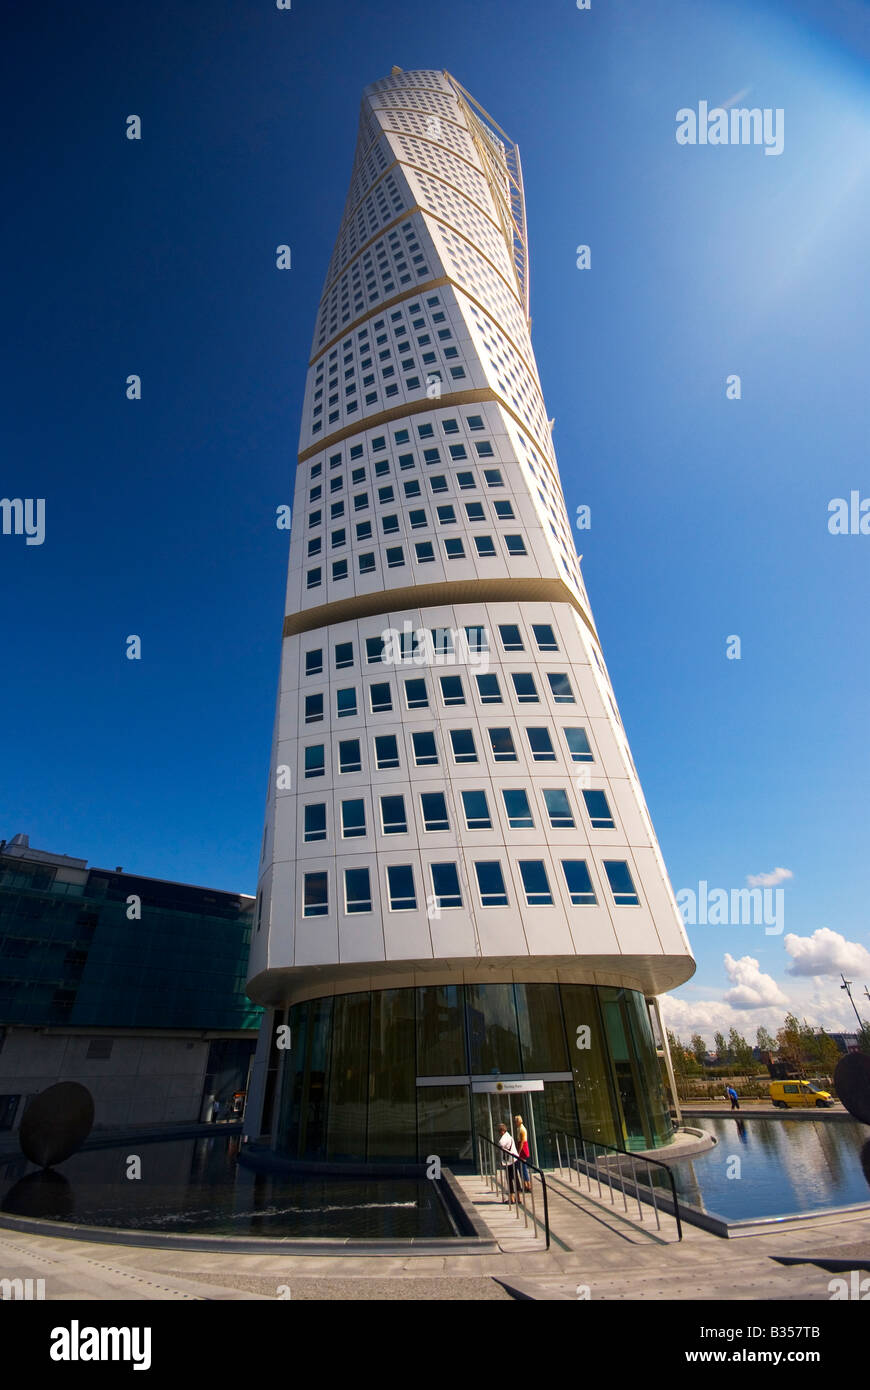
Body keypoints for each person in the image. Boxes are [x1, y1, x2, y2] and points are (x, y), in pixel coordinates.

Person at [497, 1122, 520, 1203]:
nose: (499, 1133)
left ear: (502, 1131)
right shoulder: (509, 1136)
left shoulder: (505, 1137)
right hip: (514, 1159)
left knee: (509, 1179)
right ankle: (518, 1197)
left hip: (510, 1161)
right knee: (515, 1178)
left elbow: (500, 1144)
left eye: (499, 1131)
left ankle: (512, 1198)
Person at [514, 1114, 532, 1192]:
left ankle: (528, 1185)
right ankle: (525, 1184)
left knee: (523, 1167)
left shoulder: (521, 1129)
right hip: (521, 1147)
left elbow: (522, 1142)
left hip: (522, 1148)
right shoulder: (519, 1129)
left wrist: (518, 1151)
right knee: (521, 1167)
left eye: (516, 1121)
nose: (515, 1123)